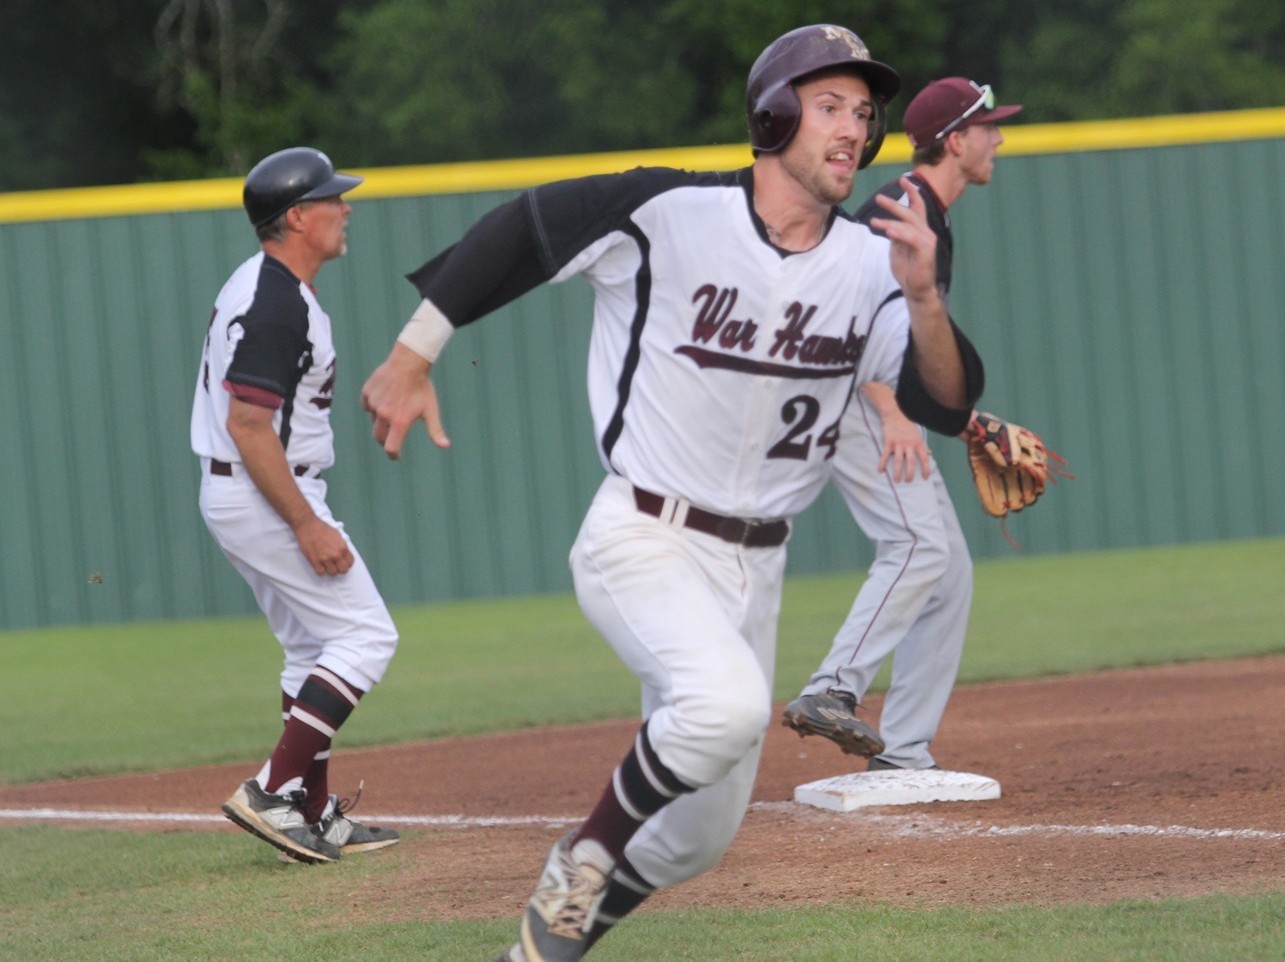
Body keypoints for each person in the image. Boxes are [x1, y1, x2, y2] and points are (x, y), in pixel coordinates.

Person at [359, 24, 982, 962]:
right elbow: (520, 232)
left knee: (698, 839)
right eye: (828, 107)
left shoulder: (874, 266)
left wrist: (928, 301)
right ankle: (585, 856)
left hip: (758, 569)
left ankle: (540, 953)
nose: (853, 128)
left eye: (865, 112)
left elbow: (945, 400)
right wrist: (415, 350)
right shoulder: (670, 211)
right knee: (726, 708)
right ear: (773, 114)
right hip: (643, 537)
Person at [781, 77, 1022, 772]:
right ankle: (831, 689)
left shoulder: (919, 211)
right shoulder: (903, 208)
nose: (997, 138)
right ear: (955, 140)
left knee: (948, 572)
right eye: (987, 127)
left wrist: (964, 420)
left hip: (854, 391)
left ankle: (904, 750)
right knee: (917, 546)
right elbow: (856, 325)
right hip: (845, 392)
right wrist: (894, 412)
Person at [192, 147, 401, 863]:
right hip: (264, 492)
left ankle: (310, 814)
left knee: (310, 649)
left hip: (248, 489)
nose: (346, 208)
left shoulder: (265, 285)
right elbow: (249, 425)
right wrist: (305, 522)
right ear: (298, 217)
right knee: (368, 637)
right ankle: (273, 791)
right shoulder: (277, 299)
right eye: (332, 199)